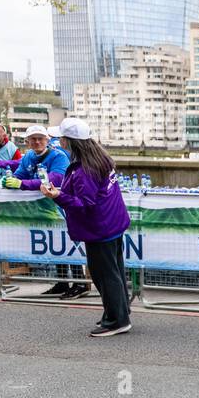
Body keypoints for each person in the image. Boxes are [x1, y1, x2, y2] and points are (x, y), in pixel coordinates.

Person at [39, 119, 133, 337]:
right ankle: (119, 312)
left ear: (69, 142)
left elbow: (84, 204)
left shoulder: (84, 170)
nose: (58, 141)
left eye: (60, 137)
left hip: (100, 228)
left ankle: (117, 321)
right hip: (111, 224)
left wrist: (58, 196)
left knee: (104, 275)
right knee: (114, 272)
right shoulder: (99, 160)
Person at [0, 126, 79, 297]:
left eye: (40, 138)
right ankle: (62, 282)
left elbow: (55, 179)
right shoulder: (28, 156)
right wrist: (10, 180)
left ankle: (80, 283)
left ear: (48, 140)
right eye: (33, 139)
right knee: (57, 244)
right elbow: (21, 173)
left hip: (61, 206)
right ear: (27, 142)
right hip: (44, 209)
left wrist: (22, 184)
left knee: (69, 243)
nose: (37, 142)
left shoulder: (59, 156)